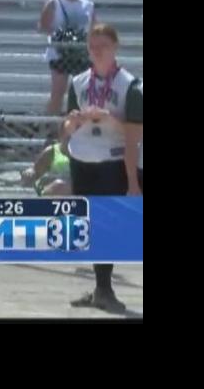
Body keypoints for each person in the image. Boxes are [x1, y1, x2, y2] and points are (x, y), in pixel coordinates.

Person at [61, 23, 141, 314]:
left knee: (109, 224)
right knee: (90, 224)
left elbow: (134, 136)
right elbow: (67, 127)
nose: (97, 52)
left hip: (112, 160)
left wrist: (132, 180)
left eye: (103, 46)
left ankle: (104, 288)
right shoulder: (79, 81)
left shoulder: (130, 85)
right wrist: (74, 122)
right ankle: (100, 287)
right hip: (82, 158)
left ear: (116, 47)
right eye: (92, 47)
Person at [40, 0, 95, 115]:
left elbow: (95, 28)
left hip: (81, 52)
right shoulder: (54, 3)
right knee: (58, 93)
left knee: (83, 93)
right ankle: (50, 129)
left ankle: (79, 127)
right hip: (60, 52)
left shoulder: (88, 5)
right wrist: (62, 35)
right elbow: (43, 25)